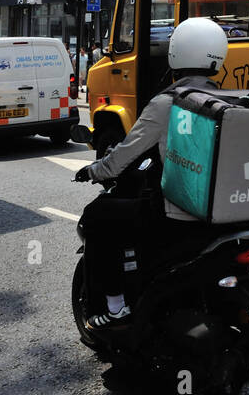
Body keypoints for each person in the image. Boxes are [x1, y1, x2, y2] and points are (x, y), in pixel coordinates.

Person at [72, 17, 227, 334]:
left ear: (175, 55)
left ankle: (115, 308)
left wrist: (94, 170)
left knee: (98, 215)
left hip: (178, 217)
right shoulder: (229, 101)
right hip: (225, 214)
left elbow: (120, 159)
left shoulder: (166, 103)